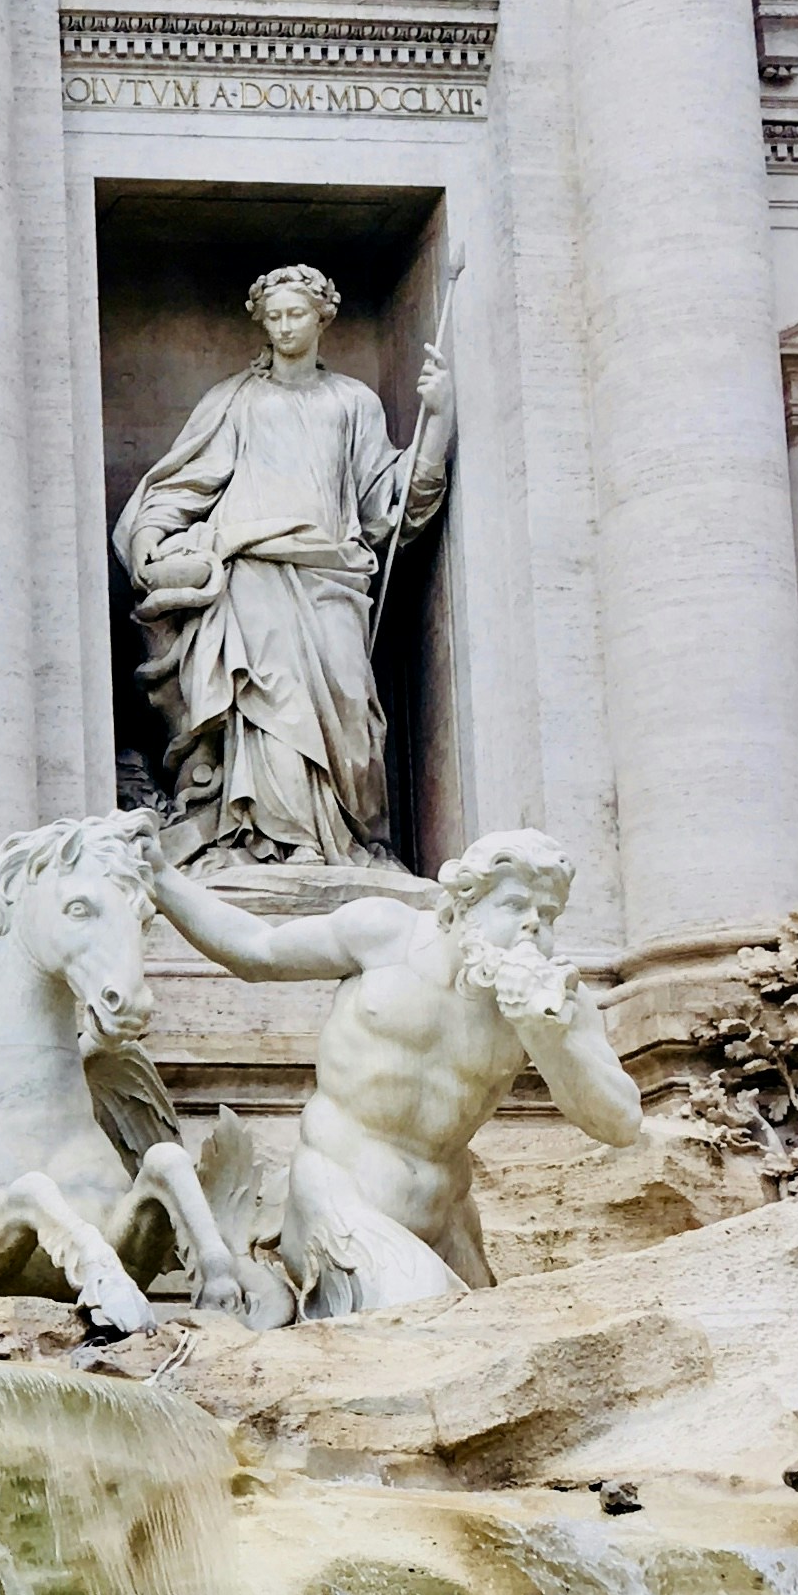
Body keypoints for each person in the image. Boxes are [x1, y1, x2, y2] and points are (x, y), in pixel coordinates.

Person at [148, 831, 644, 1315]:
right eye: (515, 907)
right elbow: (257, 950)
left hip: (447, 1217)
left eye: (548, 914)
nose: (533, 927)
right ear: (463, 907)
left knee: (492, 1334)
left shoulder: (559, 998)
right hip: (338, 1194)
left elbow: (619, 1124)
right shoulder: (385, 934)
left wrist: (543, 1033)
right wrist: (161, 877)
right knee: (427, 1319)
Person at [115, 262, 449, 870]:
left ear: (323, 317)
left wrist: (439, 423)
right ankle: (268, 841)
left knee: (349, 707)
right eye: (274, 317)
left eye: (296, 314)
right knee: (268, 703)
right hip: (252, 571)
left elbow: (389, 507)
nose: (285, 327)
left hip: (332, 575)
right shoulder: (235, 400)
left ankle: (341, 843)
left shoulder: (353, 401)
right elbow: (182, 483)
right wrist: (150, 535)